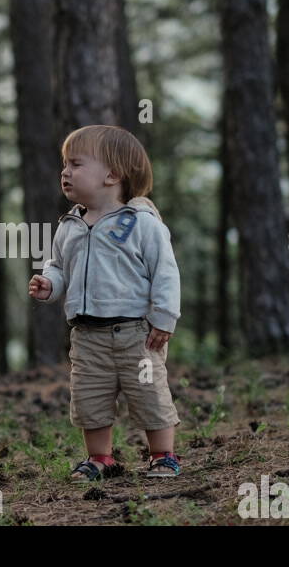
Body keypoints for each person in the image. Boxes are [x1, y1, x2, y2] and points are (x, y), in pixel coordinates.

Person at [28, 124, 182, 482]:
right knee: (89, 399)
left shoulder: (143, 224)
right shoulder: (70, 224)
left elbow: (165, 272)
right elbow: (60, 266)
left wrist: (164, 317)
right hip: (87, 335)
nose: (65, 171)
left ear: (112, 174)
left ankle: (163, 455)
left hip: (136, 334)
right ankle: (101, 458)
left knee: (149, 394)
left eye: (76, 164)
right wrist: (49, 284)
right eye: (64, 164)